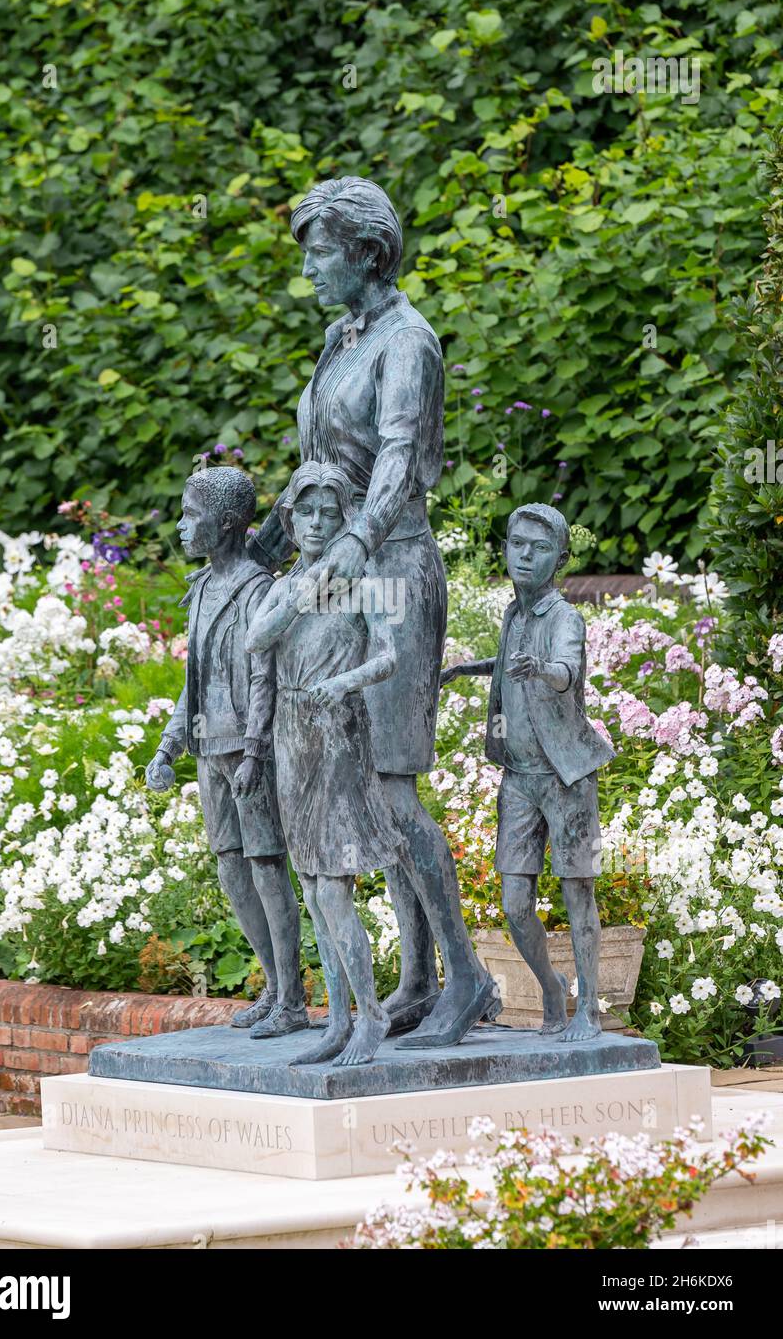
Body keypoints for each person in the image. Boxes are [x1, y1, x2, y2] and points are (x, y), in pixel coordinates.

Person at [248, 176, 496, 1047]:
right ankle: (421, 981)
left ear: (368, 252)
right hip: (338, 572)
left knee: (390, 787)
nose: (309, 267)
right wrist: (265, 547)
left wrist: (354, 543)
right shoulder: (338, 339)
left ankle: (467, 977)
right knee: (368, 789)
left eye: (320, 251)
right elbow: (316, 462)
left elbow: (397, 462)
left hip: (389, 571)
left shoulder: (409, 342)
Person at [246, 462, 402, 1067]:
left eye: (328, 514)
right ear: (288, 518)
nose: (315, 523)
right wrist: (305, 591)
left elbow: (387, 656)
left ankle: (372, 1015)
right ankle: (337, 1020)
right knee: (310, 887)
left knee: (334, 886)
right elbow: (258, 639)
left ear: (343, 522)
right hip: (291, 737)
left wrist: (345, 683)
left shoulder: (365, 583)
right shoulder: (285, 587)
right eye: (304, 512)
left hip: (337, 734)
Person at [440, 503, 615, 1042]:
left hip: (566, 778)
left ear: (559, 560)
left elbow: (567, 669)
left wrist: (543, 670)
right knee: (514, 904)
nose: (524, 555)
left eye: (539, 549)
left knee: (577, 890)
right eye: (517, 544)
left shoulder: (566, 618)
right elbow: (510, 660)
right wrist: (466, 668)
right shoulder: (514, 614)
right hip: (519, 778)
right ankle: (550, 984)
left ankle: (587, 1009)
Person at [145, 465, 307, 1039]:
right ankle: (274, 985)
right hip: (208, 742)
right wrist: (169, 744)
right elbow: (197, 677)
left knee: (267, 865)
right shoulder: (202, 589)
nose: (182, 527)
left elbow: (265, 676)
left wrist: (255, 751)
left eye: (192, 515)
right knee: (232, 869)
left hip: (246, 746)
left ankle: (292, 997)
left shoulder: (256, 589)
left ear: (231, 523)